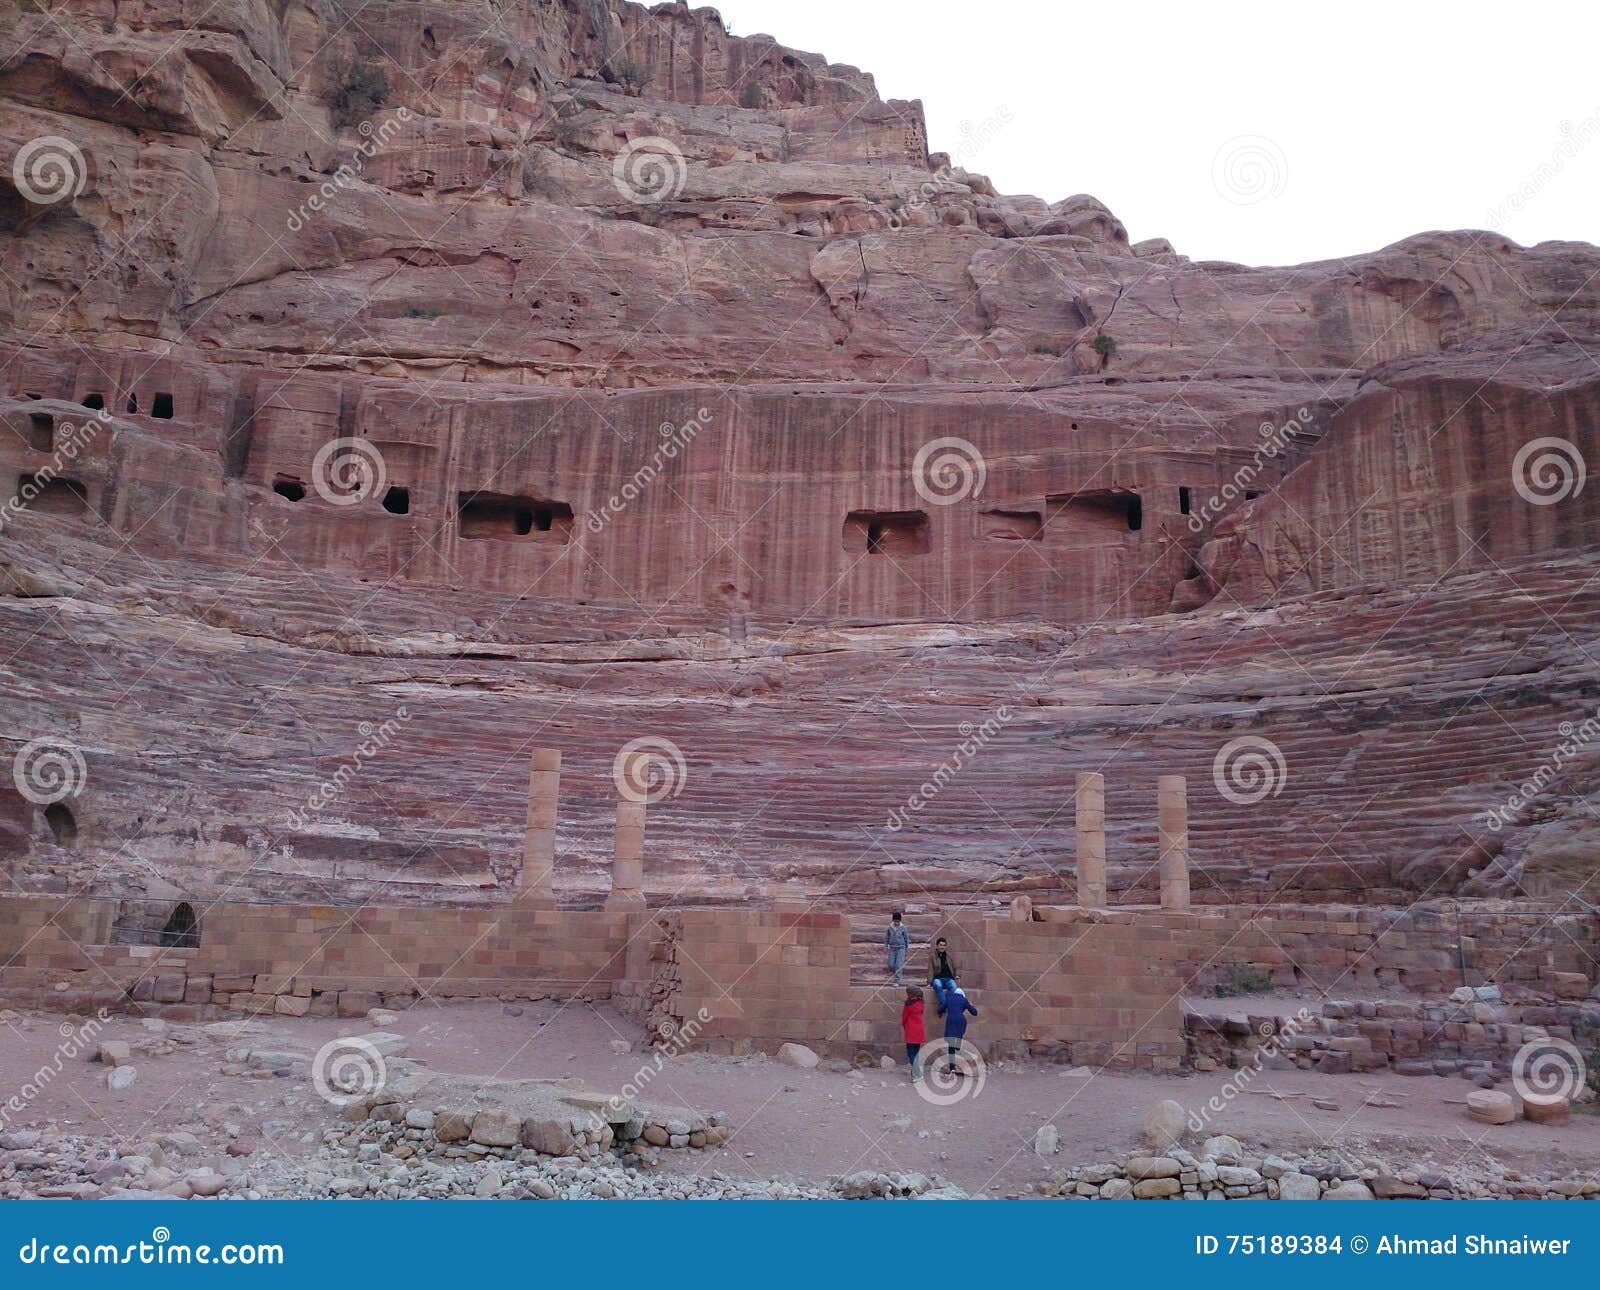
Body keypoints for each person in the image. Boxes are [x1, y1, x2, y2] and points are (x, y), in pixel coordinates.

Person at [940, 983, 978, 1075]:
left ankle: (952, 1067)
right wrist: (972, 1005)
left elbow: (941, 1008)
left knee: (950, 1044)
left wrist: (940, 1012)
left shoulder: (949, 998)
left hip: (951, 1020)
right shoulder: (964, 1000)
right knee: (959, 1035)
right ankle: (958, 1047)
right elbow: (974, 1012)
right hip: (961, 1020)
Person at [900, 986, 926, 1081]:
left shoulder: (908, 1004)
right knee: (916, 1052)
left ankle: (916, 1074)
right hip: (919, 1028)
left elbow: (904, 1017)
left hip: (911, 1029)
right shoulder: (921, 1003)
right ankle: (916, 1072)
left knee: (910, 1053)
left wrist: (904, 1026)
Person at [927, 937, 957, 1009]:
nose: (942, 947)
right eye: (940, 945)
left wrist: (957, 975)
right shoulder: (932, 956)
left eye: (944, 945)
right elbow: (930, 970)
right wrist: (929, 982)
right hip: (938, 978)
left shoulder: (949, 956)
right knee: (937, 985)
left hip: (948, 979)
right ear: (937, 946)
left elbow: (955, 967)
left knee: (954, 987)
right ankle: (944, 1004)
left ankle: (944, 1005)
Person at [884, 911, 910, 984]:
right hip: (892, 947)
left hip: (901, 948)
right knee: (891, 964)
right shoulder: (890, 927)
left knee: (899, 964)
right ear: (893, 920)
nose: (896, 923)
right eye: (895, 921)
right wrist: (885, 945)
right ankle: (893, 973)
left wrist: (906, 949)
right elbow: (887, 937)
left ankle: (897, 980)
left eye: (898, 921)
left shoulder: (903, 928)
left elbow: (906, 938)